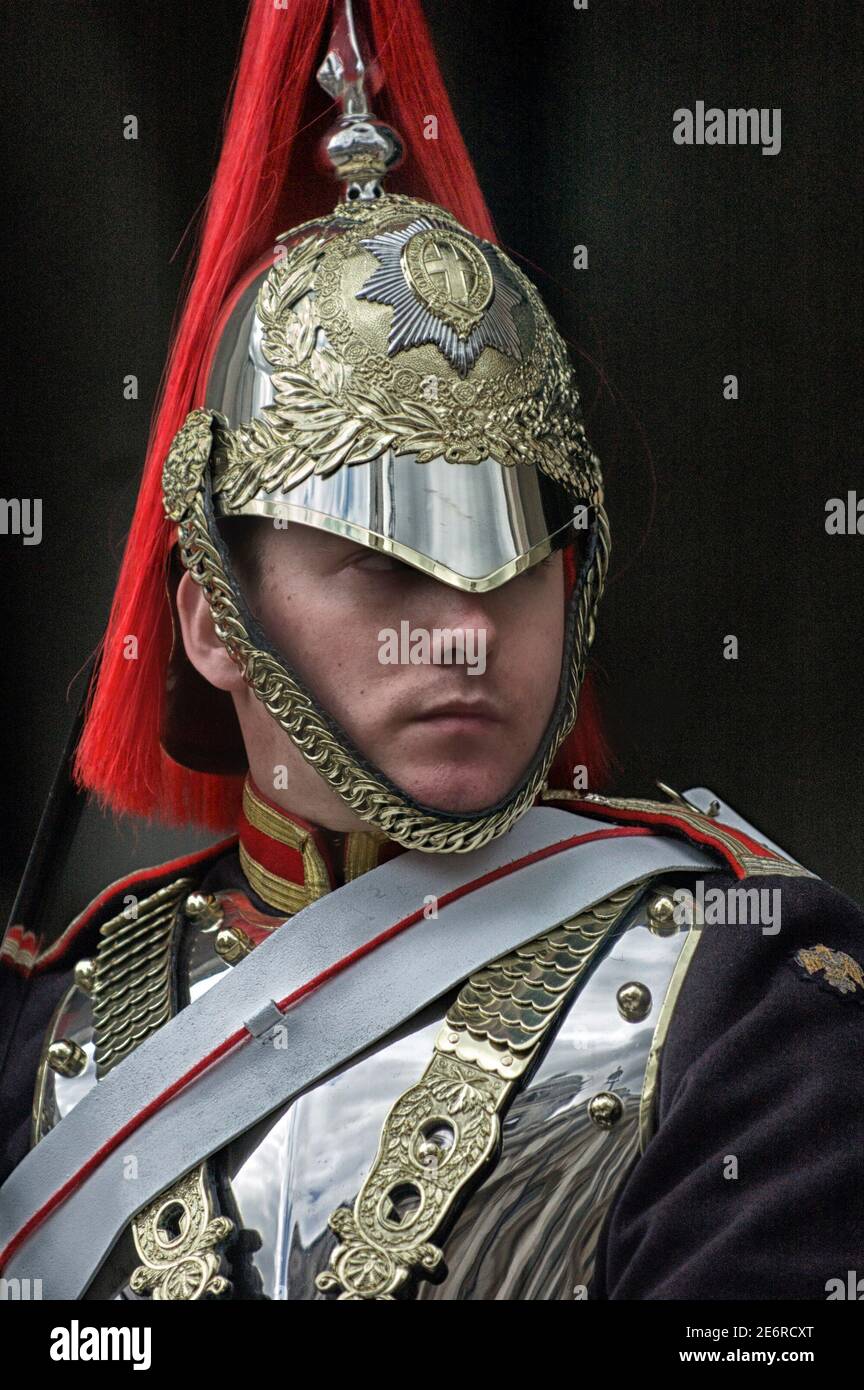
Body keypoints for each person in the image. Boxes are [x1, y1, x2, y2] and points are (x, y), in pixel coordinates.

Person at [1, 0, 861, 1303]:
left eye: (514, 558)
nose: (464, 627)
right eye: (383, 561)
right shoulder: (41, 1023)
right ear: (212, 618)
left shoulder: (751, 988)